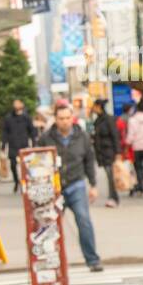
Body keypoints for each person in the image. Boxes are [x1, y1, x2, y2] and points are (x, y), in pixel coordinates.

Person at [39, 103, 104, 272]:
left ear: (72, 118)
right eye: (61, 118)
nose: (65, 122)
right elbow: (37, 162)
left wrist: (93, 185)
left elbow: (89, 160)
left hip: (76, 184)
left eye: (68, 118)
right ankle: (51, 262)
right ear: (56, 119)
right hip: (54, 189)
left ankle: (93, 260)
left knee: (84, 221)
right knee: (49, 226)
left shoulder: (81, 136)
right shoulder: (46, 138)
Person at [90, 98, 122, 208]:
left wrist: (118, 153)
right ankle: (112, 197)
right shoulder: (97, 120)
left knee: (111, 176)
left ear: (98, 107)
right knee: (109, 176)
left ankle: (113, 197)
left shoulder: (108, 120)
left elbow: (115, 136)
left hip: (110, 152)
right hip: (102, 153)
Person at [0, 98, 35, 193]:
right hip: (13, 145)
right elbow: (5, 132)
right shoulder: (8, 118)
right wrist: (3, 144)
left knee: (26, 165)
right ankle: (16, 181)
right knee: (13, 165)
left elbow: (32, 130)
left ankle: (26, 182)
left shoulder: (26, 117)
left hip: (24, 145)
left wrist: (34, 143)